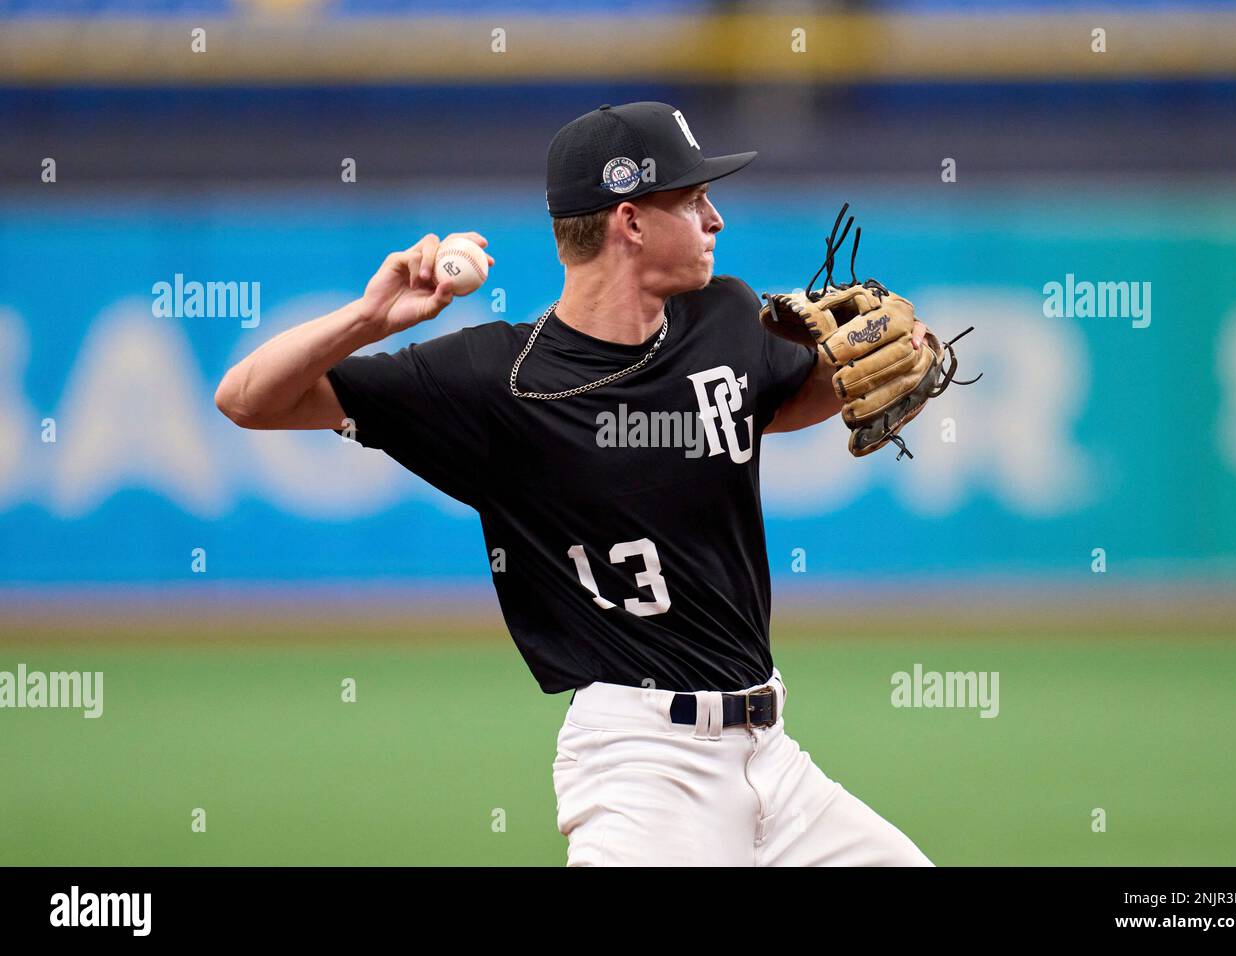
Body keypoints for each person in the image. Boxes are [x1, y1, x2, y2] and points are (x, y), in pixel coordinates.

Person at [215, 101, 933, 866]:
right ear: (629, 222)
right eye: (691, 200)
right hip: (645, 768)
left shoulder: (722, 316)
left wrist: (897, 351)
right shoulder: (495, 381)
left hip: (775, 761)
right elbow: (247, 399)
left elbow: (786, 400)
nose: (715, 217)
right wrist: (369, 319)